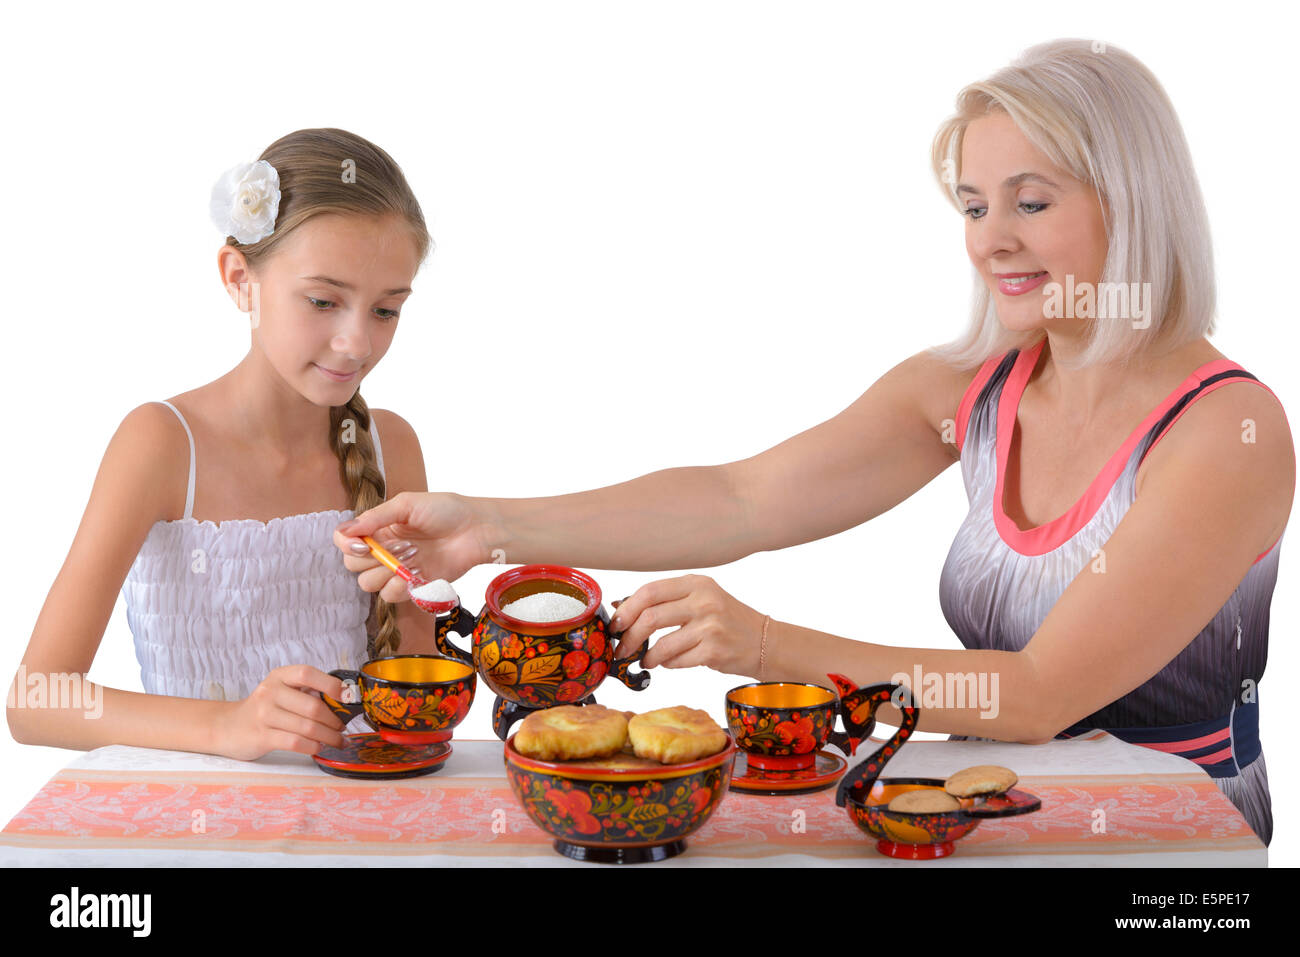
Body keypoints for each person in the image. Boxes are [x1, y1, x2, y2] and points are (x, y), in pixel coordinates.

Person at [334, 41, 1292, 846]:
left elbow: (1040, 694)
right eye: (972, 205)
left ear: (1134, 199)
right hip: (982, 817)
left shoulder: (1224, 433)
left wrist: (765, 645)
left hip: (1168, 842)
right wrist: (485, 526)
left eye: (1030, 202)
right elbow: (741, 498)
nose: (990, 240)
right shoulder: (972, 388)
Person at [8, 128, 438, 762]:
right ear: (242, 280)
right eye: (323, 300)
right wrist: (226, 726)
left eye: (385, 310)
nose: (357, 343)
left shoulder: (390, 445)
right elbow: (36, 700)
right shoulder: (161, 444)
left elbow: (418, 690)